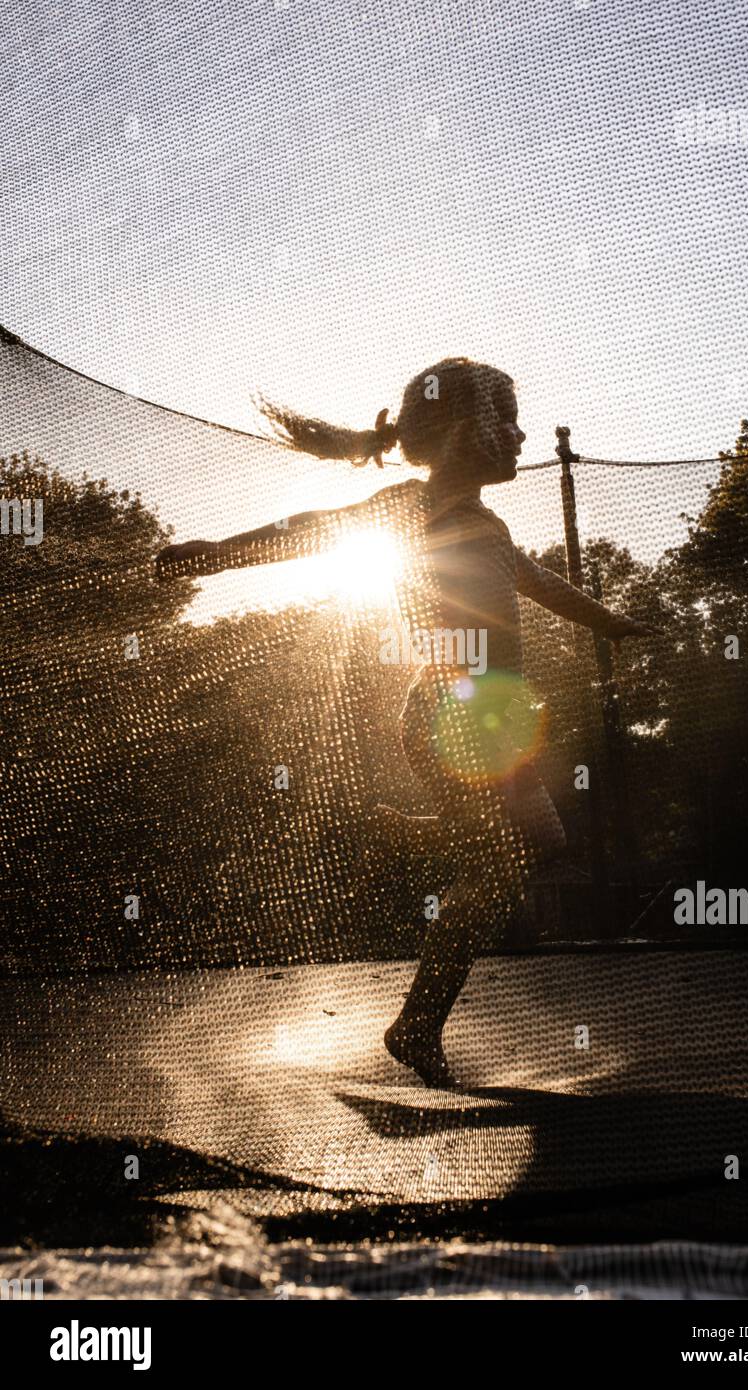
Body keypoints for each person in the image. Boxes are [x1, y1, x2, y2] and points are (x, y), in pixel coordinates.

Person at [157, 357, 651, 1087]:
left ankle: (413, 835)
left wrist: (611, 621)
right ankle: (417, 1024)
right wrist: (217, 555)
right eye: (506, 420)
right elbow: (308, 531)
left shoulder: (490, 524)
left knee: (544, 840)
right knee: (495, 869)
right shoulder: (407, 509)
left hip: (496, 719)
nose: (520, 436)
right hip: (447, 710)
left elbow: (544, 584)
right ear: (461, 431)